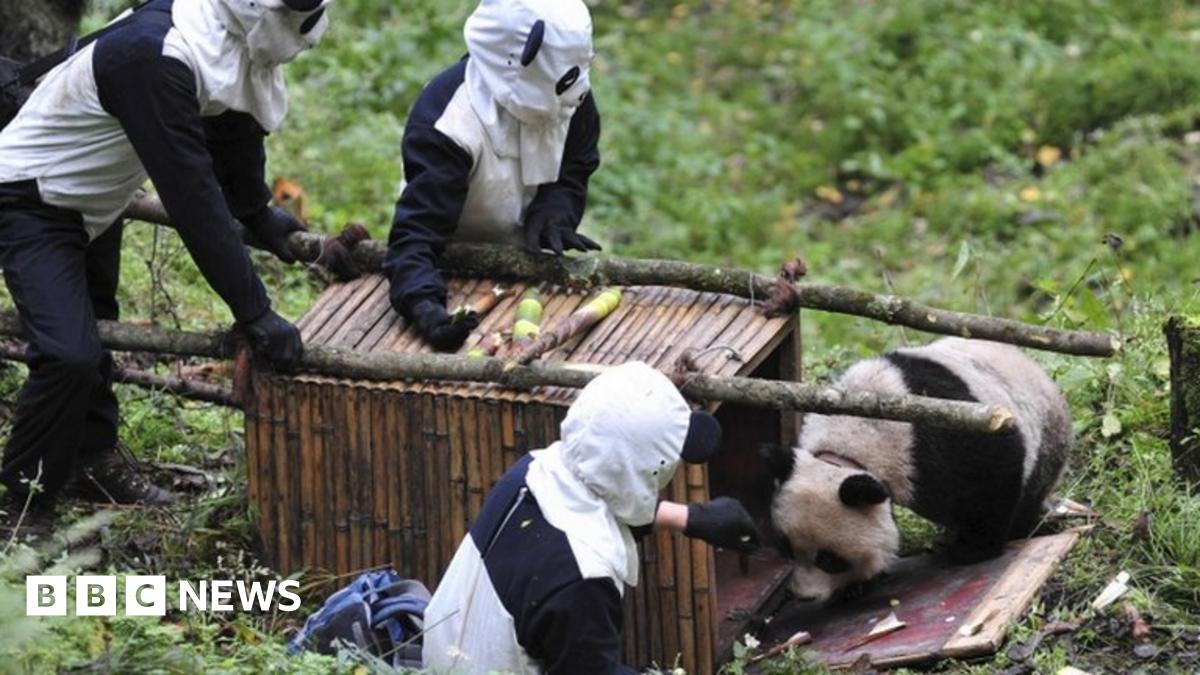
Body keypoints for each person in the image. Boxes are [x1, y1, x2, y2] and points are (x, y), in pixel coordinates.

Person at [0, 0, 331, 506]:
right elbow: (192, 196)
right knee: (69, 355)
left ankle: (91, 459)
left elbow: (234, 128)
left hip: (95, 194)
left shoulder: (219, 32)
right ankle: (28, 498)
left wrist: (257, 212)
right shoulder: (157, 55)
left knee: (95, 325)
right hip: (31, 197)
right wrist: (255, 310)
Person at [422, 361, 761, 674]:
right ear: (647, 466)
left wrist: (689, 518)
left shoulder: (530, 473)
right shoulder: (584, 579)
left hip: (450, 655)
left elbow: (596, 502)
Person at [383, 0, 603, 352]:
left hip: (527, 268)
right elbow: (415, 237)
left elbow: (577, 162)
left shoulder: (570, 94)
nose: (574, 94)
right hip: (450, 260)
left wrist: (557, 208)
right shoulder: (449, 122)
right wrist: (425, 307)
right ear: (516, 57)